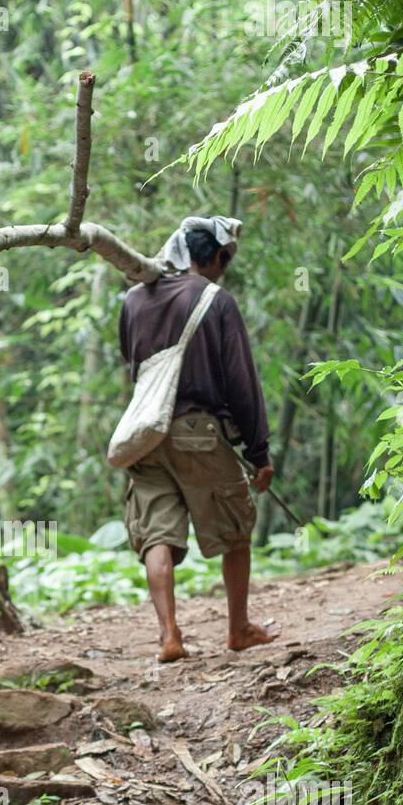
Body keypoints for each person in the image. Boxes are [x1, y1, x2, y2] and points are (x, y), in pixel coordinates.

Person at [118, 215, 277, 662]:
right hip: (198, 433)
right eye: (225, 260)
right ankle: (239, 628)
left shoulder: (133, 300)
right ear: (215, 256)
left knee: (157, 536)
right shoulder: (215, 299)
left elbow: (132, 361)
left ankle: (169, 635)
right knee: (235, 531)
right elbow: (240, 381)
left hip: (145, 436)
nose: (224, 269)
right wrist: (257, 450)